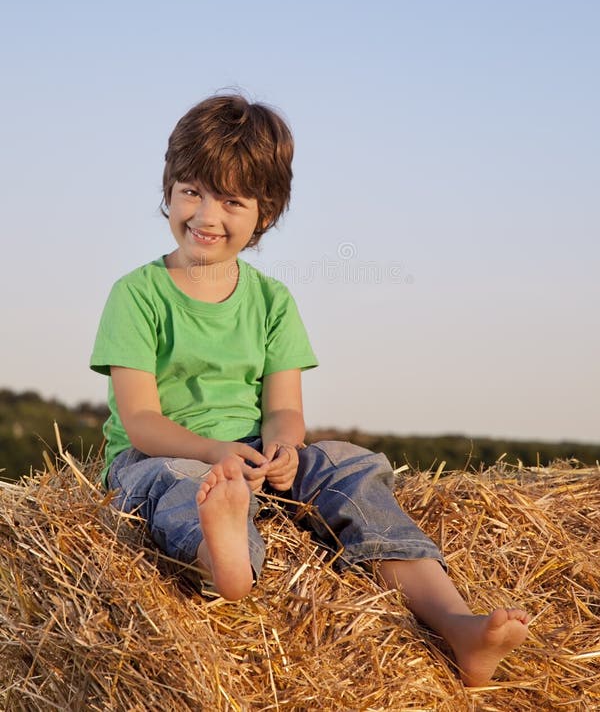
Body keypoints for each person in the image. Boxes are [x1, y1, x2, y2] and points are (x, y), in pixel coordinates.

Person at [91, 93, 530, 687]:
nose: (206, 215)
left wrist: (283, 450)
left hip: (249, 453)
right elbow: (140, 419)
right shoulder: (137, 294)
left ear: (264, 214)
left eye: (231, 200)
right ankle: (228, 563)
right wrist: (214, 454)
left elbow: (283, 409)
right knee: (180, 486)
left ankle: (456, 624)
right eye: (191, 190)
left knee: (347, 468)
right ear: (168, 188)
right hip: (159, 456)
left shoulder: (273, 302)